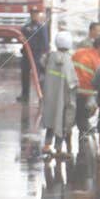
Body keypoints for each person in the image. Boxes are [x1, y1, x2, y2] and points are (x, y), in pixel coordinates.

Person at [42, 29, 78, 159]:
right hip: (63, 97)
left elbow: (42, 65)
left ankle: (46, 145)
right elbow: (72, 81)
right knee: (61, 121)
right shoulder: (68, 59)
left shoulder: (50, 57)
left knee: (51, 120)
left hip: (50, 95)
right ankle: (58, 149)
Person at [72, 28, 100, 138]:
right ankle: (85, 135)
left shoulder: (80, 52)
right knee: (82, 117)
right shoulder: (96, 60)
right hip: (85, 93)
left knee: (77, 115)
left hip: (72, 90)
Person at [18, 6, 49, 104]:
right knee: (24, 75)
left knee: (38, 76)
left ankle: (42, 96)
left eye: (35, 13)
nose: (34, 15)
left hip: (36, 55)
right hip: (26, 55)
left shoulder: (41, 27)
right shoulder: (26, 27)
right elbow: (21, 36)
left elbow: (45, 43)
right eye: (32, 13)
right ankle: (25, 95)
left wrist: (44, 54)